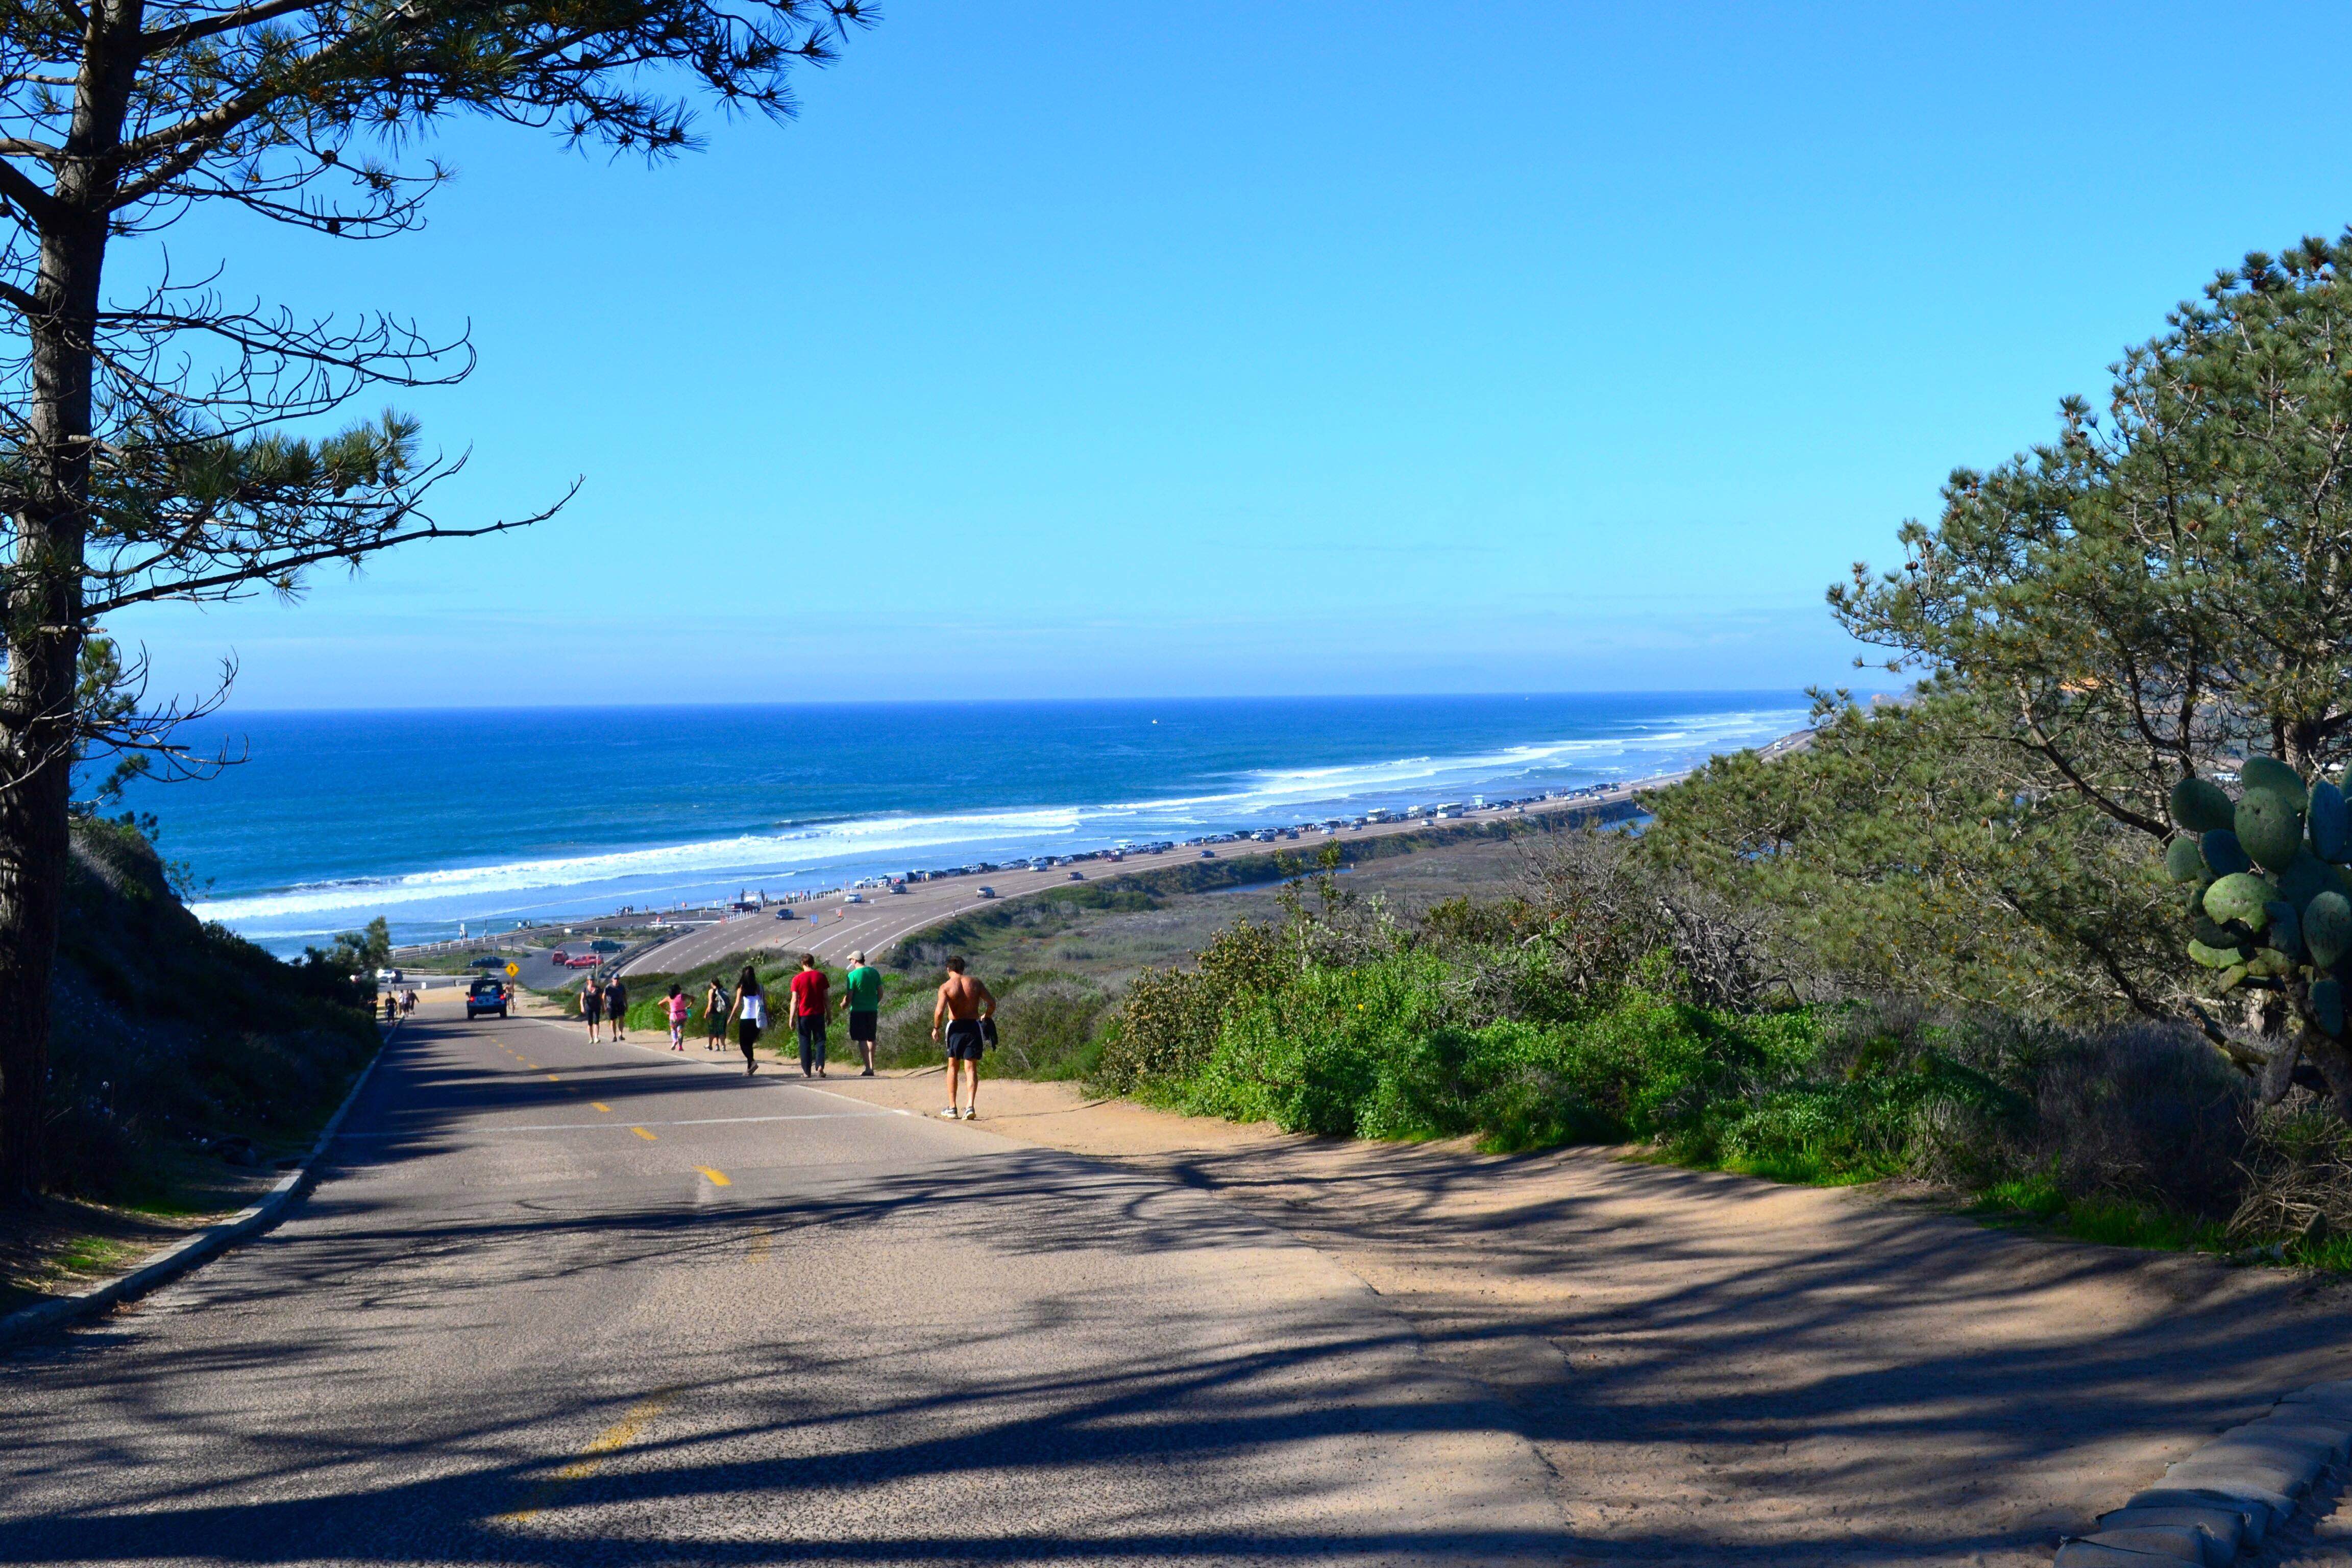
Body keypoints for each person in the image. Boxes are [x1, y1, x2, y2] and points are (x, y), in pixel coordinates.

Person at [930, 955, 995, 1120]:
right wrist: (986, 1016)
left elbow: (939, 1011)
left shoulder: (946, 987)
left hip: (956, 1028)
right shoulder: (975, 983)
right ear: (963, 969)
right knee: (971, 1068)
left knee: (953, 1066)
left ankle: (953, 1107)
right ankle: (970, 1106)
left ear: (948, 969)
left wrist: (936, 1028)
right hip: (973, 1026)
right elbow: (992, 1003)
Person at [839, 949, 883, 1076]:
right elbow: (881, 992)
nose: (850, 961)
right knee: (871, 1037)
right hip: (872, 1009)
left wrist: (844, 1004)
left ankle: (868, 1068)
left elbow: (850, 996)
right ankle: (872, 1066)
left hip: (858, 1010)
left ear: (855, 960)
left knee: (862, 1039)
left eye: (851, 959)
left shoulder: (852, 975)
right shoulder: (874, 972)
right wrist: (874, 1002)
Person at [789, 952, 830, 1077]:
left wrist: (791, 1018)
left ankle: (807, 1071)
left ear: (802, 963)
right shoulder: (821, 977)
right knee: (820, 1040)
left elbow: (795, 1000)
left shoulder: (797, 979)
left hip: (804, 1015)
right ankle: (820, 1065)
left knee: (805, 1042)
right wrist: (829, 1014)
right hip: (819, 1013)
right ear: (813, 963)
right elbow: (826, 998)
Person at [728, 965, 765, 1075]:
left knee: (744, 1044)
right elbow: (765, 1003)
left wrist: (731, 1017)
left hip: (746, 1019)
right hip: (757, 1019)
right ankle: (750, 1068)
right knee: (749, 1044)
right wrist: (767, 1017)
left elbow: (737, 1004)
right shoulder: (759, 987)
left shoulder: (742, 988)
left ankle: (752, 1062)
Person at [703, 976, 731, 1052]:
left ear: (712, 984)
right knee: (721, 1029)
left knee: (712, 1029)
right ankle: (723, 1046)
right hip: (723, 1012)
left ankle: (710, 1045)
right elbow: (728, 1002)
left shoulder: (711, 991)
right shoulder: (723, 990)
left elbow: (710, 1003)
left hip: (714, 1013)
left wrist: (707, 1013)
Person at [603, 972, 629, 1043]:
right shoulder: (608, 987)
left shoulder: (622, 986)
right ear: (612, 979)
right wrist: (604, 1005)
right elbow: (603, 996)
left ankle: (621, 1035)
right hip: (611, 1005)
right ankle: (614, 1036)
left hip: (620, 1004)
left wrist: (627, 1005)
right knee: (613, 1021)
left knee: (621, 1019)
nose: (616, 980)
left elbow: (624, 996)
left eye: (618, 979)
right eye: (615, 979)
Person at [664, 983, 690, 1052]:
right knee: (680, 1031)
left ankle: (675, 1041)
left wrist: (667, 1011)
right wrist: (690, 1006)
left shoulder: (669, 998)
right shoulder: (682, 996)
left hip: (673, 1016)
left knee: (673, 1030)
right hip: (682, 1016)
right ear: (678, 990)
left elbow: (660, 1003)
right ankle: (680, 1047)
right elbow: (693, 998)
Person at [582, 974, 603, 1038]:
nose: (592, 981)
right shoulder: (585, 989)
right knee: (590, 1024)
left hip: (597, 1007)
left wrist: (603, 1007)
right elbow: (582, 999)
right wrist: (582, 1007)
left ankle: (596, 1038)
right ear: (588, 981)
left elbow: (602, 999)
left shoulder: (598, 989)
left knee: (596, 1022)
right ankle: (591, 1038)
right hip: (589, 1008)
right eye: (590, 980)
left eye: (593, 980)